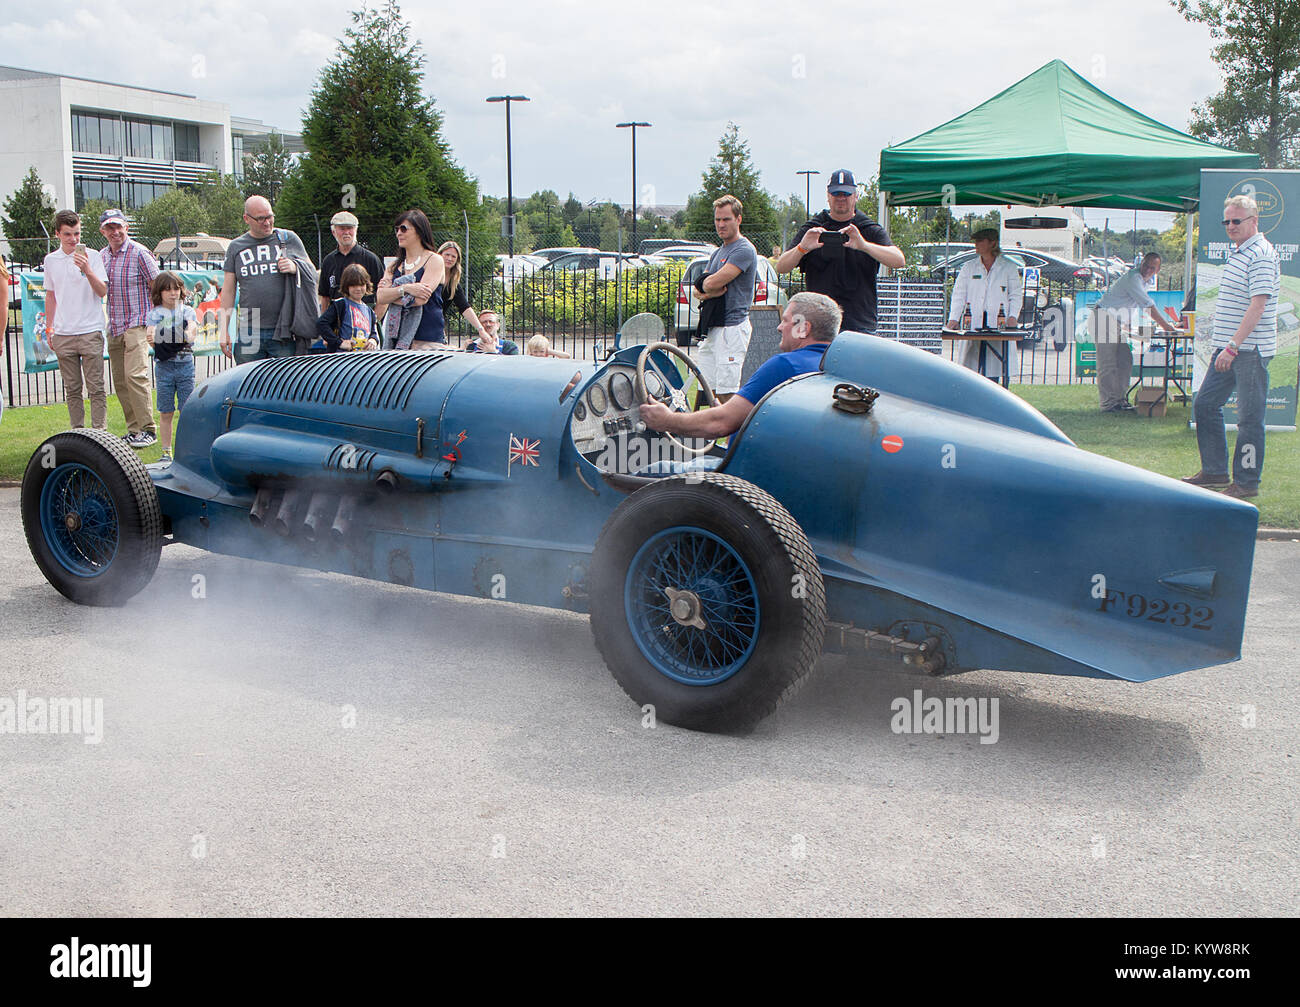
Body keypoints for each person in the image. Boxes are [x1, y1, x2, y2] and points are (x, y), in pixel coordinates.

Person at [641, 292, 841, 440]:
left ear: (803, 328)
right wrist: (728, 412)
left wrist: (666, 420)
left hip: (744, 478)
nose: (779, 327)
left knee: (651, 470)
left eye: (786, 321)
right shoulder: (837, 369)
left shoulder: (786, 366)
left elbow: (720, 423)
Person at [1183, 194, 1280, 500]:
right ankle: (1214, 471)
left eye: (1236, 220)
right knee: (1205, 404)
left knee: (1249, 418)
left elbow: (1258, 306)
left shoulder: (1261, 254)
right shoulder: (1239, 252)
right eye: (1226, 220)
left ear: (1254, 221)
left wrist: (1234, 346)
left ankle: (1246, 482)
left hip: (1248, 350)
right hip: (1229, 347)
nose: (1230, 226)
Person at [774, 169, 905, 333]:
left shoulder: (868, 228)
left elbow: (899, 260)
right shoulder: (813, 227)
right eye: (836, 194)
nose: (841, 198)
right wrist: (802, 248)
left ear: (855, 196)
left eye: (846, 194)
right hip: (818, 324)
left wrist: (864, 245)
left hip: (859, 323)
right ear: (828, 196)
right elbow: (781, 267)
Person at [219, 195, 316, 363]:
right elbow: (228, 290)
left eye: (270, 216)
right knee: (248, 384)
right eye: (260, 219)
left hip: (283, 328)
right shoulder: (236, 247)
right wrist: (223, 330)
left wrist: (295, 267)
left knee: (285, 384)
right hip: (250, 329)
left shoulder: (288, 239)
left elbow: (313, 273)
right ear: (246, 219)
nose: (267, 222)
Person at [97, 208, 159, 447]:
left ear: (127, 227)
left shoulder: (140, 253)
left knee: (136, 376)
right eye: (110, 228)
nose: (115, 232)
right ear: (103, 231)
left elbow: (157, 287)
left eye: (118, 226)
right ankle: (134, 431)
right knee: (121, 380)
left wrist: (153, 322)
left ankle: (148, 430)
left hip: (137, 322)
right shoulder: (103, 255)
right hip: (114, 325)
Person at [43, 210, 109, 430]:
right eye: (68, 234)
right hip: (63, 333)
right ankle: (78, 432)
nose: (73, 239)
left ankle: (100, 433)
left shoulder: (94, 256)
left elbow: (102, 291)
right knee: (72, 388)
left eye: (77, 233)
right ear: (58, 234)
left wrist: (87, 269)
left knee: (96, 387)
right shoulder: (51, 260)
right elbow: (50, 295)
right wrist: (49, 328)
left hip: (90, 330)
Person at [691, 195, 758, 402]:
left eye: (726, 219)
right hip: (713, 327)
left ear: (738, 219)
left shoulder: (743, 250)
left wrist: (707, 287)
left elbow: (709, 283)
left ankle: (734, 435)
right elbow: (698, 288)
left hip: (732, 328)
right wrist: (708, 288)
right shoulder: (718, 252)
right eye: (718, 219)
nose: (721, 224)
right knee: (707, 389)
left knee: (727, 392)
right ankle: (707, 434)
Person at [1092, 252, 1177, 412]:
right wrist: (1167, 326)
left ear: (1158, 269)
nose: (1147, 270)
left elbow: (1131, 304)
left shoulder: (1145, 282)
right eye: (1146, 265)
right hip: (1103, 319)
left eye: (1152, 268)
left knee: (1125, 360)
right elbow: (1147, 305)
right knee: (1108, 364)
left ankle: (1119, 400)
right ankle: (1108, 404)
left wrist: (1128, 324)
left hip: (1114, 321)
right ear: (1141, 263)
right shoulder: (1134, 278)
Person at [945, 228, 1023, 381]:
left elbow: (1015, 295)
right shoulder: (969, 267)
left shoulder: (1008, 267)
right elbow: (959, 294)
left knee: (994, 369)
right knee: (971, 371)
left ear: (992, 243)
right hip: (973, 321)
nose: (976, 244)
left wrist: (1012, 317)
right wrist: (953, 318)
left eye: (980, 241)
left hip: (997, 321)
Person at [144, 271, 196, 464]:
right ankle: (166, 452)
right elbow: (151, 338)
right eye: (167, 289)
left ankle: (188, 450)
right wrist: (177, 335)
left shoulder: (187, 311)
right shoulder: (154, 314)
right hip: (164, 367)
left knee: (187, 410)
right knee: (166, 411)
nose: (173, 293)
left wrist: (165, 335)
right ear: (159, 292)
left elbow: (191, 334)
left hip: (185, 366)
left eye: (176, 288)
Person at [376, 209, 445, 350]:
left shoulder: (434, 260)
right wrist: (406, 289)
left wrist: (391, 294)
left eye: (404, 229)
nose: (398, 233)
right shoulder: (393, 266)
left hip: (426, 339)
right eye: (397, 229)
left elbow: (420, 299)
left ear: (419, 231)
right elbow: (380, 297)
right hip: (396, 340)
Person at [317, 210, 383, 312]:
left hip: (364, 318)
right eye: (342, 229)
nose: (346, 232)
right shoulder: (328, 261)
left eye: (350, 228)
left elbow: (383, 295)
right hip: (336, 318)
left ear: (356, 230)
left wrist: (374, 321)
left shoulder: (371, 259)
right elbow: (325, 296)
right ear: (333, 232)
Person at [437, 241, 492, 343]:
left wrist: (481, 330)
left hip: (437, 325)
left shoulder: (453, 284)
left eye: (453, 256)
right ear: (439, 255)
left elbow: (464, 307)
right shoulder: (431, 275)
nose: (449, 259)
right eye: (447, 255)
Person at [315, 263, 379, 351]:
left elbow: (373, 333)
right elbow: (321, 324)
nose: (358, 289)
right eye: (353, 285)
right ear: (346, 286)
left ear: (366, 285)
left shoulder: (369, 311)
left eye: (361, 285)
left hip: (363, 359)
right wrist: (339, 342)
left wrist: (373, 340)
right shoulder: (340, 305)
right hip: (342, 359)